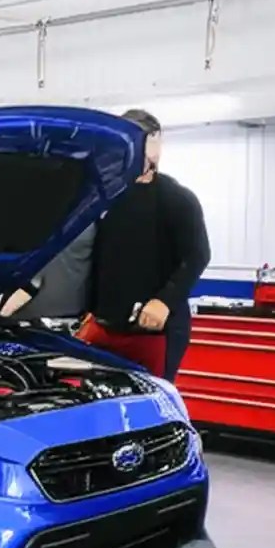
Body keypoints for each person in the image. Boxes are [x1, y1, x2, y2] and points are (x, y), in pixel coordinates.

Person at [76, 109, 210, 381]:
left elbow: (197, 255)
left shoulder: (177, 199)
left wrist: (164, 301)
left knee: (151, 405)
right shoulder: (104, 197)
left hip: (156, 331)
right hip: (104, 326)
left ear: (157, 143)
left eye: (143, 140)